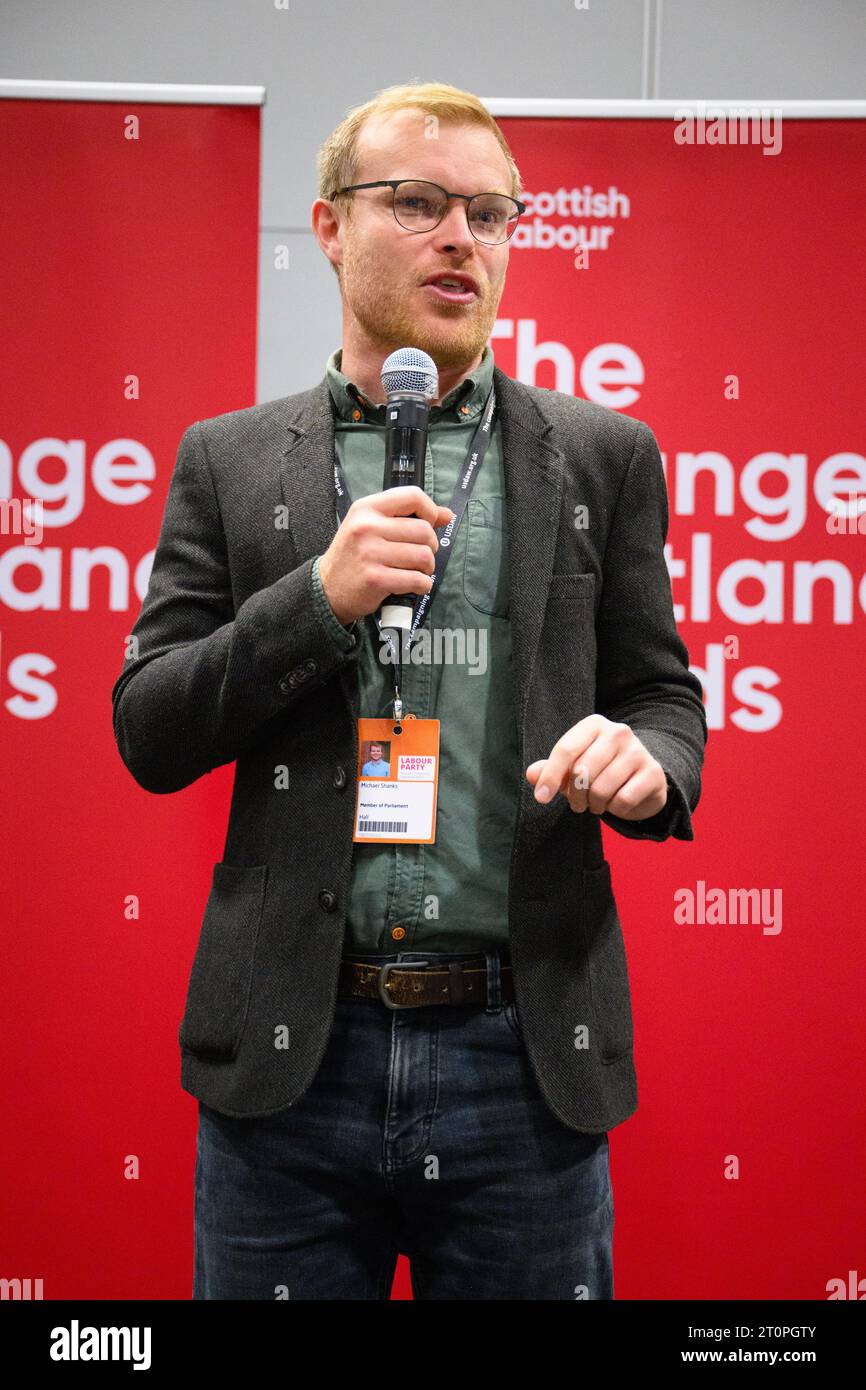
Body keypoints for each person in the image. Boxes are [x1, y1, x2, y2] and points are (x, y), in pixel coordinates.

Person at [112, 80, 708, 1301]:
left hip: (518, 1058)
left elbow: (662, 698)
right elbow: (151, 727)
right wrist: (311, 603)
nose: (461, 239)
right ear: (328, 227)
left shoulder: (602, 454)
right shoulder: (229, 459)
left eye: (490, 214)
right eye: (420, 202)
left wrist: (649, 763)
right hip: (291, 1060)